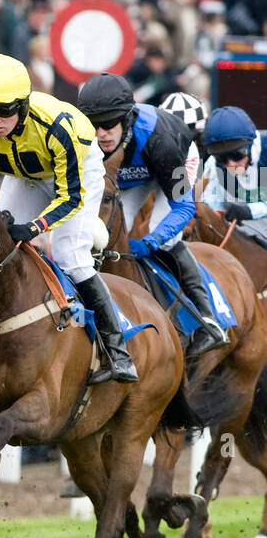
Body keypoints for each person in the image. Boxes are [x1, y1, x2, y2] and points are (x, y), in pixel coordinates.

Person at [0, 54, 137, 384]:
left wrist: (35, 227)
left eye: (4, 111)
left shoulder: (56, 127)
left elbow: (69, 197)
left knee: (72, 257)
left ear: (23, 105)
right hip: (22, 175)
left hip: (77, 173)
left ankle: (117, 349)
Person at [77, 73, 226, 357]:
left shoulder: (162, 142)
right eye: (95, 125)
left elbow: (185, 208)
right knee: (103, 231)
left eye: (109, 124)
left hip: (174, 160)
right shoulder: (87, 137)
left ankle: (207, 317)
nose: (101, 133)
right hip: (134, 176)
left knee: (163, 233)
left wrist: (152, 240)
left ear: (126, 118)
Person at [199, 105, 267, 245]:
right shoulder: (213, 164)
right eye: (221, 158)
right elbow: (212, 205)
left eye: (237, 155)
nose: (230, 165)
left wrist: (249, 211)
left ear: (250, 144)